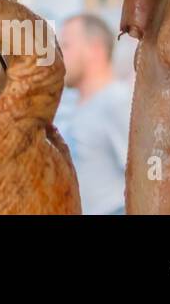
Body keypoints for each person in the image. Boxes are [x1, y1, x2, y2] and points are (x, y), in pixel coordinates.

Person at [58, 13, 131, 215]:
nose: (58, 55)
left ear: (95, 50)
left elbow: (147, 177)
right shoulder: (76, 107)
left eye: (66, 45)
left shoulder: (117, 101)